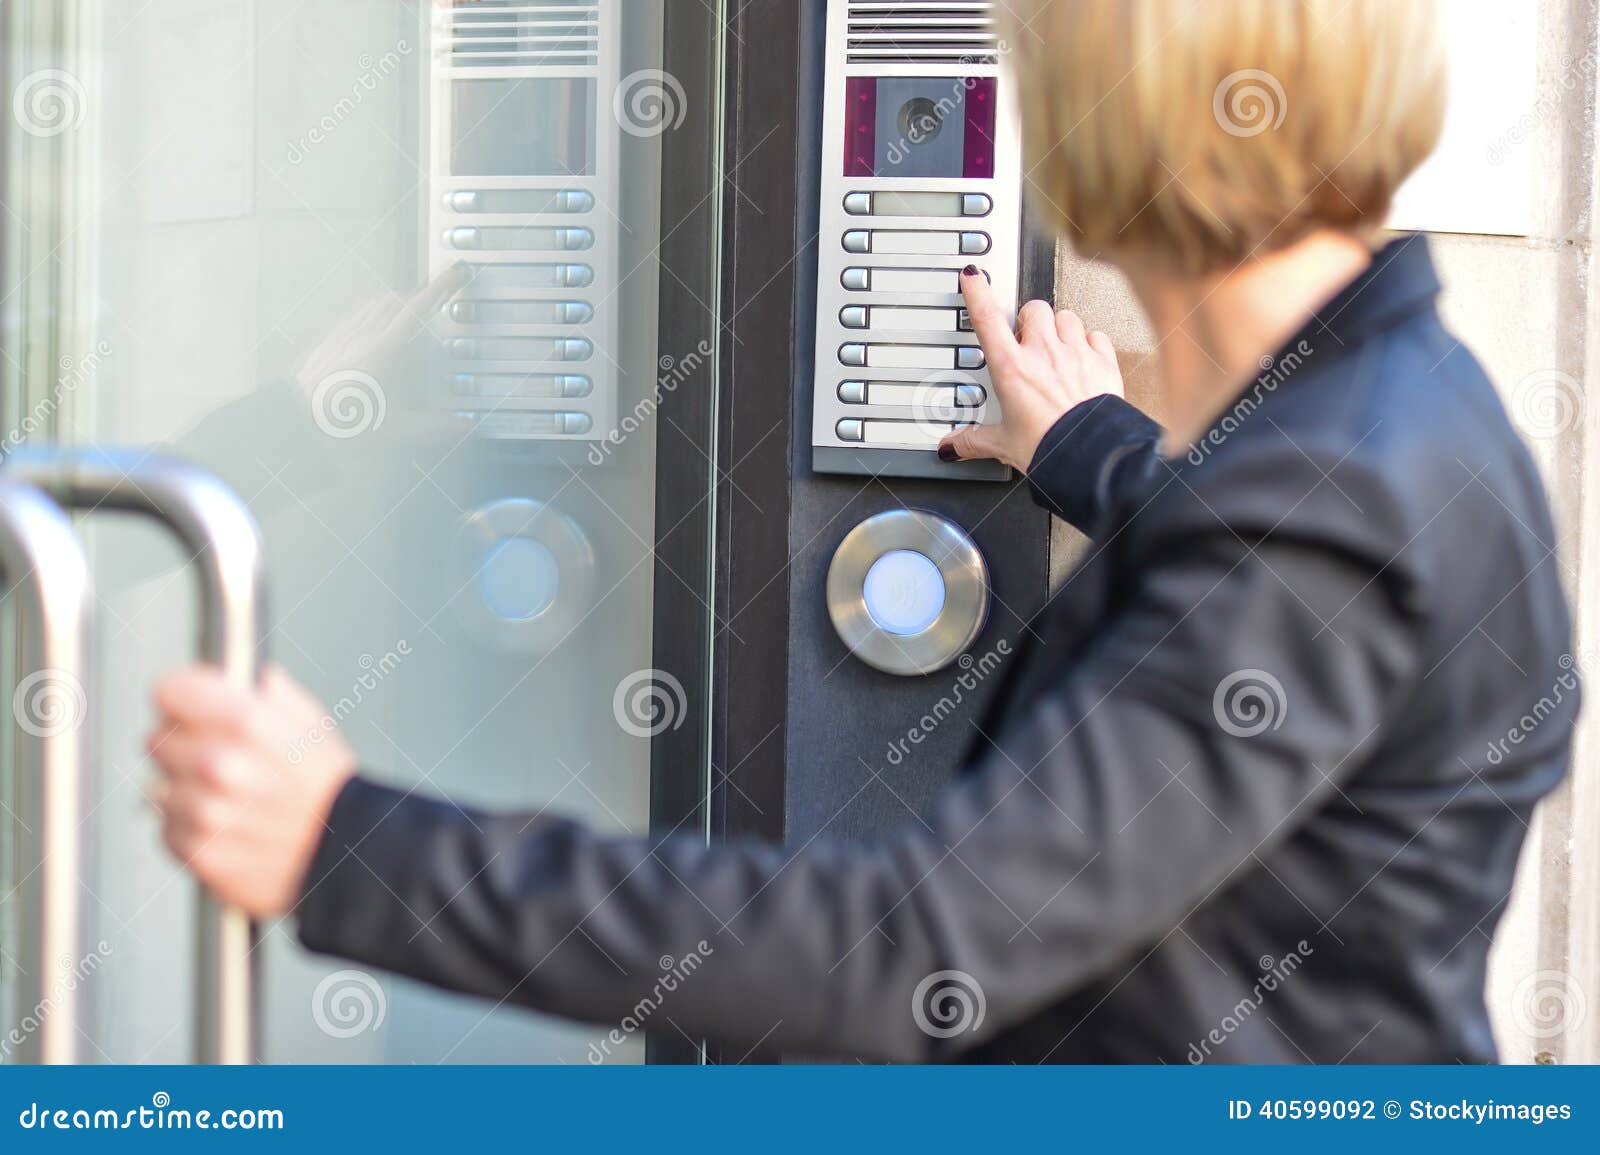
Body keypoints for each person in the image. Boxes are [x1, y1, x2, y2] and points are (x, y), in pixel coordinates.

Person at [147, 0, 1577, 1062]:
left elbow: (912, 950)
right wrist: (1090, 451)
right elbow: (1263, 637)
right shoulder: (1395, 417)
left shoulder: (1314, 505)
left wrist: (348, 845)